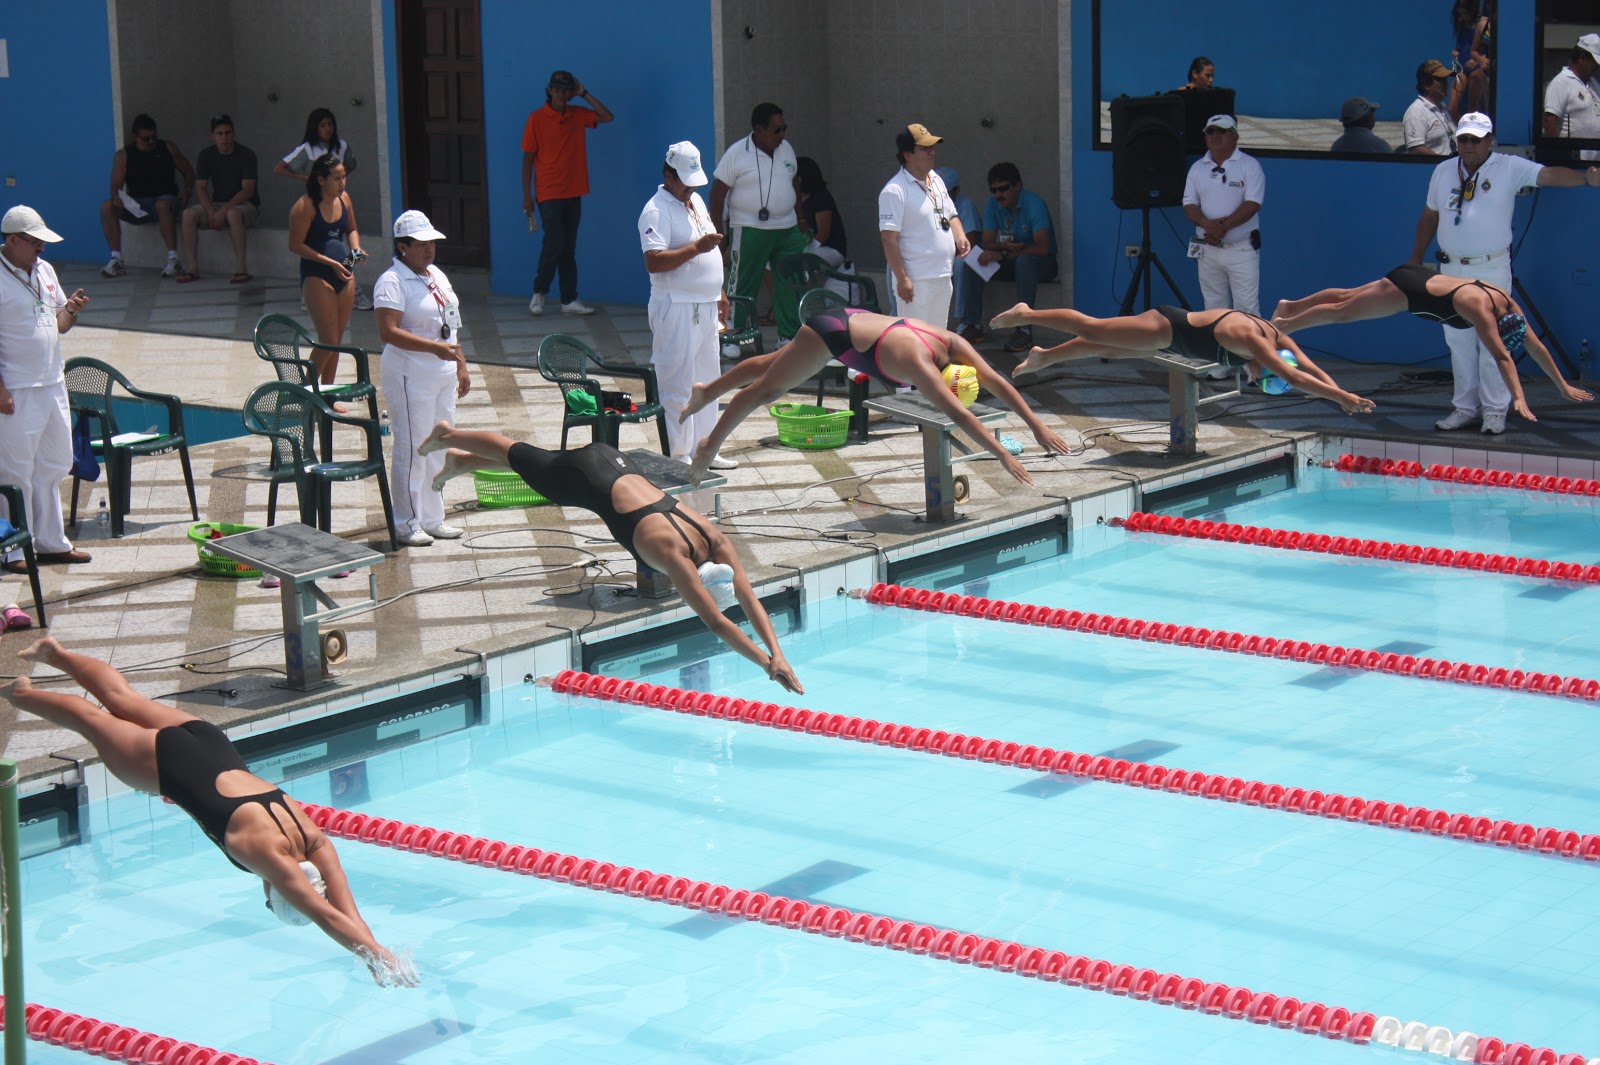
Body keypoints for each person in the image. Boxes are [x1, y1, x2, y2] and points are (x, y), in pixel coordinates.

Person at [1, 637, 414, 986]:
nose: (267, 899)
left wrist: (381, 955)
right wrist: (375, 959)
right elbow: (325, 916)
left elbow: (344, 907)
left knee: (122, 698)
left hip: (211, 744)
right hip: (167, 767)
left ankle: (54, 653)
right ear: (285, 895)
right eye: (273, 904)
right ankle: (19, 693)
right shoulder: (268, 858)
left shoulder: (314, 841)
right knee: (89, 718)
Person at [419, 425, 804, 694]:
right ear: (698, 580)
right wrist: (767, 664)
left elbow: (749, 598)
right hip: (586, 476)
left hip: (613, 462)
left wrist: (779, 656)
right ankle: (447, 436)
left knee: (535, 464)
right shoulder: (673, 557)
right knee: (517, 452)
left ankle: (463, 461)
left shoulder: (715, 539)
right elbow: (718, 623)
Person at [678, 309, 1070, 487]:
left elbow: (999, 383)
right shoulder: (921, 365)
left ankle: (707, 390)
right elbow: (960, 415)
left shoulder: (954, 343)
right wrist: (1000, 453)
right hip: (834, 334)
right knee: (768, 389)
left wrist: (1036, 425)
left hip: (850, 319)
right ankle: (708, 446)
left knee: (771, 363)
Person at [1410, 111, 1600, 434]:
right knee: (1457, 340)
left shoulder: (1508, 167)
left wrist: (1585, 178)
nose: (1467, 145)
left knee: (1493, 341)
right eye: (1463, 139)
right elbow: (1429, 217)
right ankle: (1464, 408)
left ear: (1489, 141)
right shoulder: (1443, 171)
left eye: (1474, 139)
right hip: (1451, 267)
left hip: (1490, 267)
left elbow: (1549, 176)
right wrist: (1415, 260)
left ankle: (1495, 411)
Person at [1273, 264, 1592, 424]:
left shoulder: (1507, 304)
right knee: (1342, 314)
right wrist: (1519, 398)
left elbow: (1536, 347)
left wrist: (1562, 385)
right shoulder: (1480, 309)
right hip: (1407, 294)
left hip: (1414, 274)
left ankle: (1291, 305)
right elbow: (1502, 357)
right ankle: (1283, 326)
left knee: (1346, 297)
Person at [990, 302, 1375, 415]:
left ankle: (1044, 357)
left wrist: (1344, 393)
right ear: (1273, 367)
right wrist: (1339, 398)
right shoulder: (1256, 344)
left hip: (1171, 342)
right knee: (1094, 330)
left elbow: (1308, 369)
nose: (1254, 379)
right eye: (1262, 379)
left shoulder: (1278, 339)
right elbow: (1302, 379)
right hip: (1166, 329)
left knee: (1100, 347)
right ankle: (1027, 314)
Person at [0, 206, 91, 575]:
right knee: (15, 471)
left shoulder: (44, 269)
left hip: (52, 382)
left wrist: (71, 309)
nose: (41, 248)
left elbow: (59, 323)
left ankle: (52, 542)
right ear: (12, 240)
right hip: (17, 388)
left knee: (54, 462)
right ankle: (13, 548)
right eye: (34, 241)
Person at [373, 210, 470, 547]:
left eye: (432, 243)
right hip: (409, 373)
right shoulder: (392, 281)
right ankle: (407, 522)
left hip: (442, 373)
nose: (429, 249)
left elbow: (452, 321)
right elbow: (388, 332)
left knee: (440, 444)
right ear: (403, 247)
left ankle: (433, 517)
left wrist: (461, 364)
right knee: (413, 446)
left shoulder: (436, 275)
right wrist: (432, 348)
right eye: (422, 244)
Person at [638, 141, 733, 465]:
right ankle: (679, 453)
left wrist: (719, 292)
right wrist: (697, 248)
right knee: (678, 379)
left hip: (705, 304)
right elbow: (654, 261)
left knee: (708, 379)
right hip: (675, 306)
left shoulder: (694, 202)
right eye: (685, 181)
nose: (691, 187)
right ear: (669, 175)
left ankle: (705, 448)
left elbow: (710, 254)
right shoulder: (656, 209)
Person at [710, 103, 808, 343]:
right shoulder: (737, 153)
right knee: (742, 282)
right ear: (758, 129)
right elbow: (717, 195)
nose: (782, 135)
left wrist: (801, 217)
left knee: (790, 282)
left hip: (787, 228)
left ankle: (788, 336)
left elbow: (794, 183)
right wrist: (719, 234)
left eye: (784, 128)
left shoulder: (786, 149)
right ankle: (734, 335)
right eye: (776, 130)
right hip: (749, 227)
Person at [522, 70, 612, 318]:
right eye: (557, 89)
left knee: (568, 247)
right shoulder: (536, 119)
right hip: (548, 192)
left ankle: (568, 299)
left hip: (574, 190)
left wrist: (584, 93)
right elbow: (528, 159)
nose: (561, 94)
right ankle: (539, 292)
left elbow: (607, 116)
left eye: (566, 90)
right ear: (549, 90)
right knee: (554, 243)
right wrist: (527, 195)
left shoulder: (577, 114)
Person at [1181, 114, 1264, 379]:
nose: (1214, 136)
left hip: (1241, 249)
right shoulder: (1197, 168)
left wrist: (1222, 227)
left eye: (1222, 131)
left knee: (1247, 310)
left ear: (1235, 136)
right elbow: (1189, 204)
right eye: (1210, 131)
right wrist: (1207, 225)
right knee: (1213, 308)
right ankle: (1223, 362)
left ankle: (1255, 370)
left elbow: (1253, 204)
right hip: (1208, 250)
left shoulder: (1250, 166)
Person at [878, 123, 970, 332]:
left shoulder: (936, 179)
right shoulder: (894, 190)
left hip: (942, 276)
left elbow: (951, 213)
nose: (932, 152)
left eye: (932, 147)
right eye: (925, 148)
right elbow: (888, 239)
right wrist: (903, 279)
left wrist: (960, 235)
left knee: (938, 340)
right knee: (916, 341)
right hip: (917, 281)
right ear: (908, 154)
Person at [288, 155, 365, 400]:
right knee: (327, 338)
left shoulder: (345, 199)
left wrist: (355, 249)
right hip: (317, 275)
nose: (343, 182)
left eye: (344, 177)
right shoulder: (305, 206)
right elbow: (295, 245)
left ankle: (328, 394)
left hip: (344, 271)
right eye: (337, 178)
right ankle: (307, 393)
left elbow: (351, 228)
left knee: (338, 339)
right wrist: (330, 263)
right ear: (321, 180)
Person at [99, 114, 194, 279]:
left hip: (166, 201)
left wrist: (187, 191)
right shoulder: (124, 155)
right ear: (136, 137)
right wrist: (116, 197)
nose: (151, 142)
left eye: (153, 137)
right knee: (107, 206)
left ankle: (174, 259)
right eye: (145, 139)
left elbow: (188, 171)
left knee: (162, 204)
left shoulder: (167, 148)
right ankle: (116, 259)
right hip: (138, 204)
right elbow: (115, 185)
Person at [976, 163, 1058, 352]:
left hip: (1041, 264)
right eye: (994, 190)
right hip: (1010, 260)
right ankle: (971, 324)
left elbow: (1042, 248)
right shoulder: (993, 204)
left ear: (1018, 186)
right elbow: (987, 242)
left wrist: (1004, 253)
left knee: (1025, 261)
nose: (998, 195)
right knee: (975, 260)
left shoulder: (1034, 203)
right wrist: (1003, 248)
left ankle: (1024, 329)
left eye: (1003, 188)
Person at [177, 113, 260, 285]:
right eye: (220, 134)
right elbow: (200, 187)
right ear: (213, 136)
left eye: (228, 133)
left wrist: (223, 210)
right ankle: (192, 267)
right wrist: (210, 210)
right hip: (217, 205)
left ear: (234, 133)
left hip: (244, 206)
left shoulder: (246, 154)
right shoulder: (206, 155)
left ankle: (241, 269)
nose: (224, 138)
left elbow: (247, 190)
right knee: (188, 214)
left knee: (232, 214)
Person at [938, 167, 984, 342]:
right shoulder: (930, 204)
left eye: (947, 192)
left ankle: (967, 323)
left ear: (956, 190)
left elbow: (969, 242)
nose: (943, 196)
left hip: (969, 259)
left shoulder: (965, 205)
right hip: (940, 257)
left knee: (961, 263)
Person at [1542, 33, 1600, 163]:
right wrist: (1559, 155)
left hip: (1595, 159)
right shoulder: (1561, 83)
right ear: (1582, 58)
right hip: (1573, 160)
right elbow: (1550, 122)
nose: (1597, 67)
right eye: (1594, 62)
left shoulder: (1594, 83)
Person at [273, 107, 358, 185]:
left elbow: (351, 165)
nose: (328, 129)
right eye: (322, 126)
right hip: (316, 196)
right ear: (314, 128)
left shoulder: (342, 145)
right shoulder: (307, 148)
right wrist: (305, 178)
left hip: (337, 194)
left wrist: (338, 179)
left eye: (330, 124)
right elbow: (279, 169)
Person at [793, 156, 848, 271]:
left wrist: (806, 251)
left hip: (831, 249)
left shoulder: (820, 197)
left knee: (802, 263)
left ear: (800, 178)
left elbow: (823, 234)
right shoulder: (795, 198)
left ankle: (805, 289)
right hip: (808, 247)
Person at [1403, 60, 1458, 155]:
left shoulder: (1442, 108)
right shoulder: (1416, 111)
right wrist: (1444, 163)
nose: (1446, 84)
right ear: (1426, 84)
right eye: (1441, 80)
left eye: (1445, 79)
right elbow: (1416, 149)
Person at [1449, 0, 1492, 119]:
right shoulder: (1461, 24)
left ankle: (1471, 132)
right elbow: (1463, 44)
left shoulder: (1481, 23)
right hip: (1462, 65)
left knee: (1472, 108)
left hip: (1476, 66)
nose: (1462, 16)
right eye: (1460, 13)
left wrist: (1477, 59)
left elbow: (1484, 48)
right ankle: (1459, 130)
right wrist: (1456, 51)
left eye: (1464, 13)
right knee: (1452, 108)